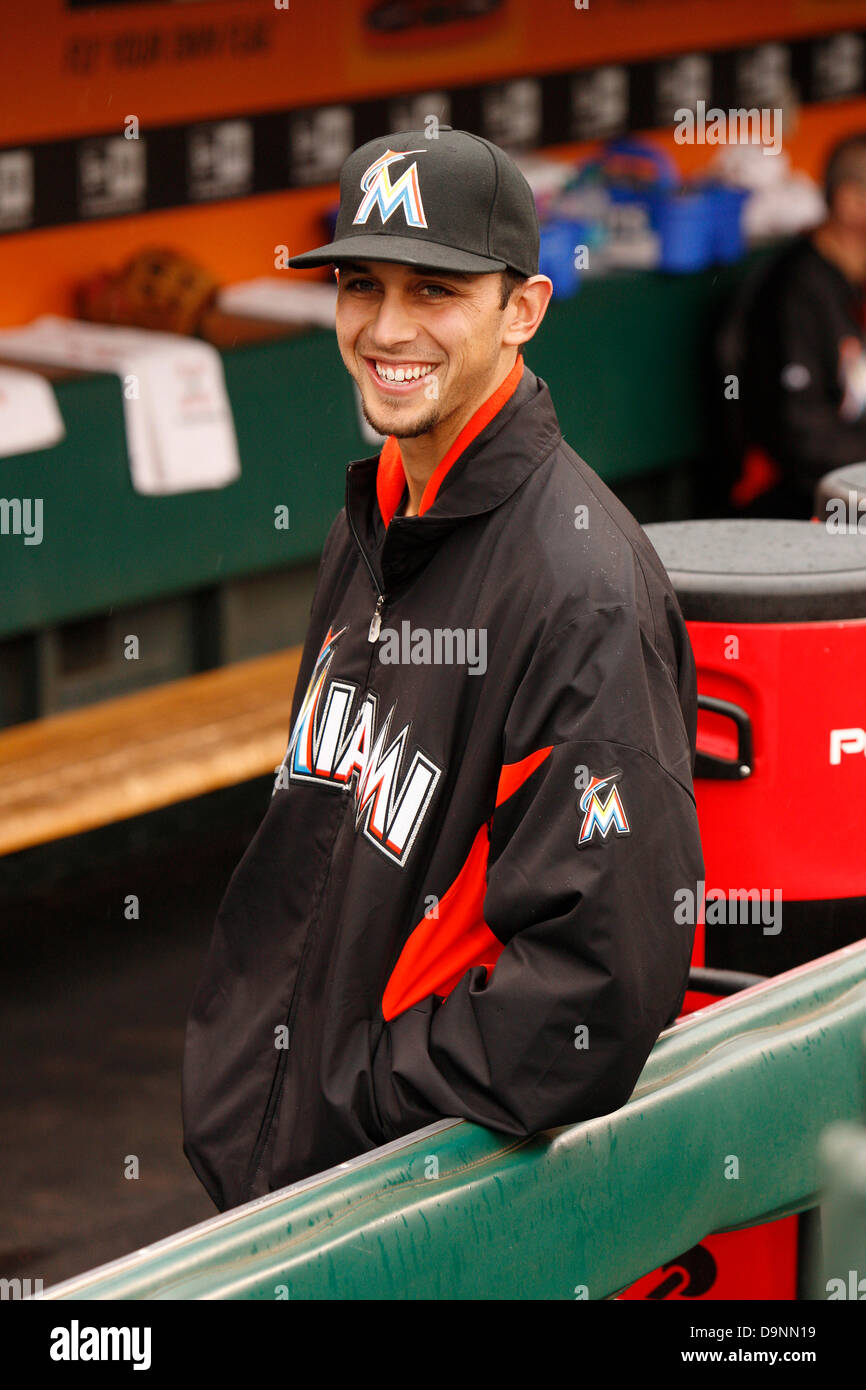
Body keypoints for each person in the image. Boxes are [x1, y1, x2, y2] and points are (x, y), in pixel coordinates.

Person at [182, 126, 705, 1214]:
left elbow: (598, 987)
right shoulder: (373, 517)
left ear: (522, 309)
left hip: (408, 1201)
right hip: (286, 1177)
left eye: (435, 290)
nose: (385, 328)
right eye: (359, 285)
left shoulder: (580, 589)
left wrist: (357, 1098)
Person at [727, 131, 866, 519]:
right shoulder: (793, 291)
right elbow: (802, 439)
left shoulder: (852, 281)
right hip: (794, 504)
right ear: (853, 204)